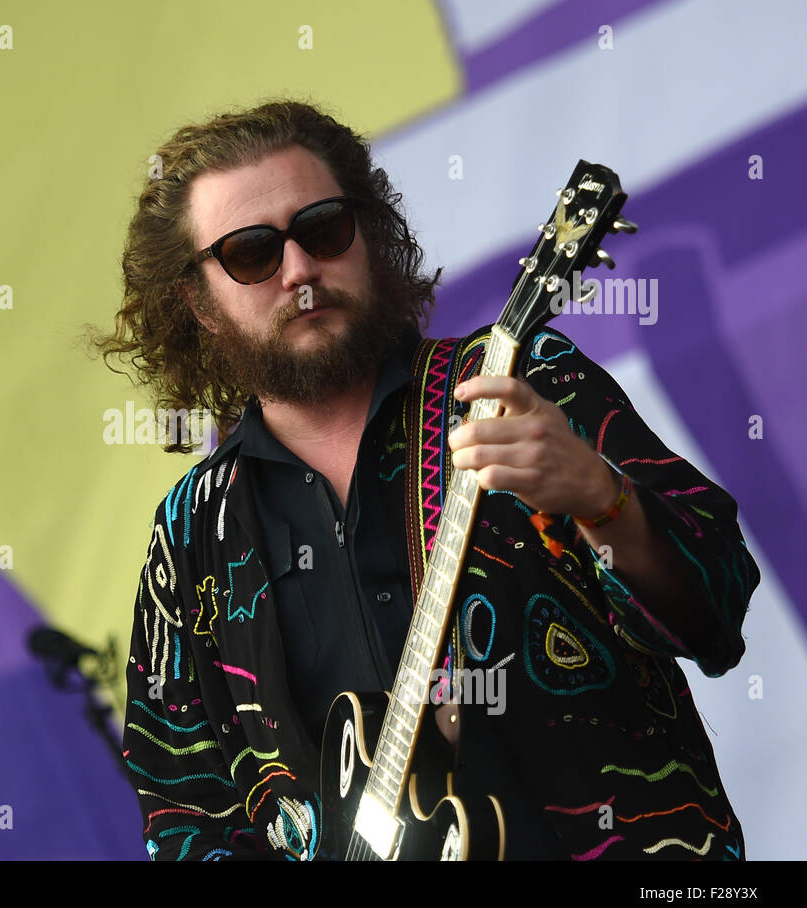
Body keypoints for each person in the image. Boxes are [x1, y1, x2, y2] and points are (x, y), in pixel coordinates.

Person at [90, 99, 758, 861]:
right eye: (250, 252)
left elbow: (720, 609)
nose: (300, 269)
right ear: (199, 302)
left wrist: (603, 502)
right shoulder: (193, 533)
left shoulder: (521, 386)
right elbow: (186, 812)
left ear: (367, 236)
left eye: (323, 229)